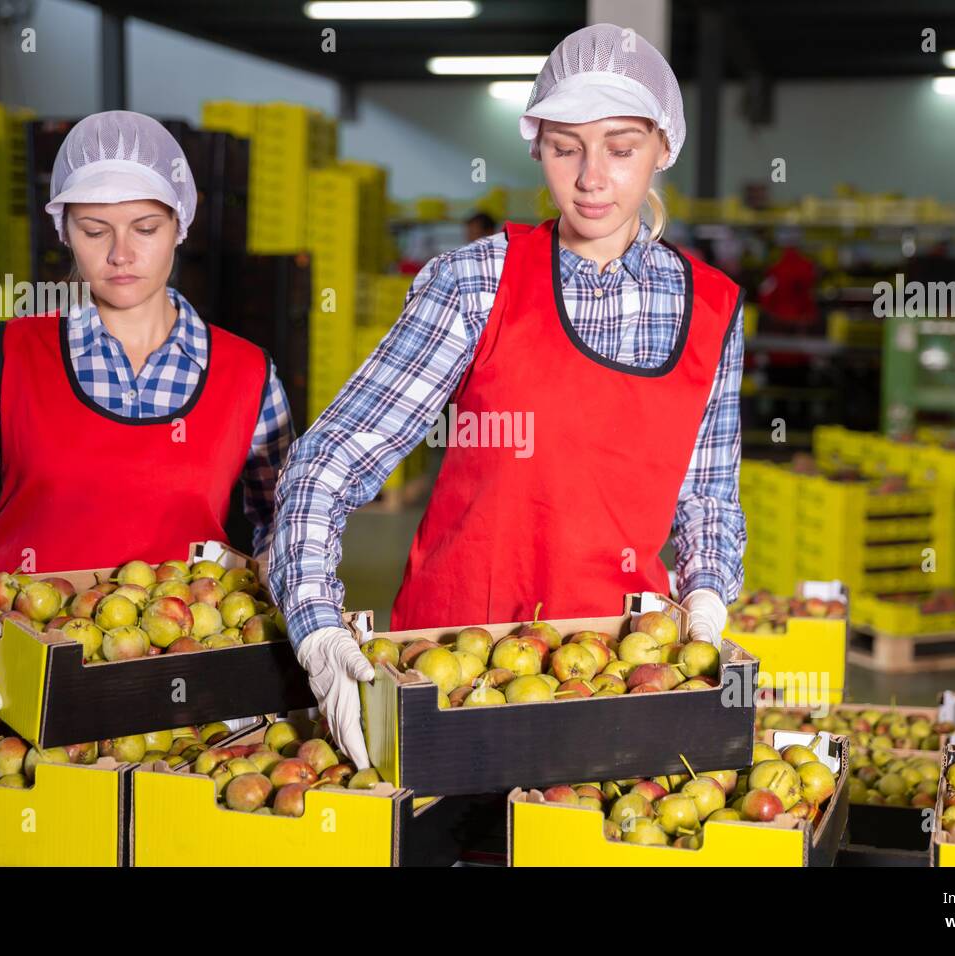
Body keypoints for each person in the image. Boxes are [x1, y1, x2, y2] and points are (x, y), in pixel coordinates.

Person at [270, 24, 746, 767]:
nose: (592, 177)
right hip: (452, 667)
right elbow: (329, 458)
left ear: (663, 148)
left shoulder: (713, 310)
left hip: (617, 674)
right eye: (565, 147)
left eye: (621, 148)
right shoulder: (477, 282)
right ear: (536, 148)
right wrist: (318, 627)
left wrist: (709, 598)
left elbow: (708, 495)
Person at [0, 111, 293, 739]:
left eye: (146, 227)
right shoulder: (9, 357)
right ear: (64, 231)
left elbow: (285, 528)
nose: (121, 253)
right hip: (13, 689)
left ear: (181, 225)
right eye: (94, 229)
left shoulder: (248, 373)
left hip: (177, 707)